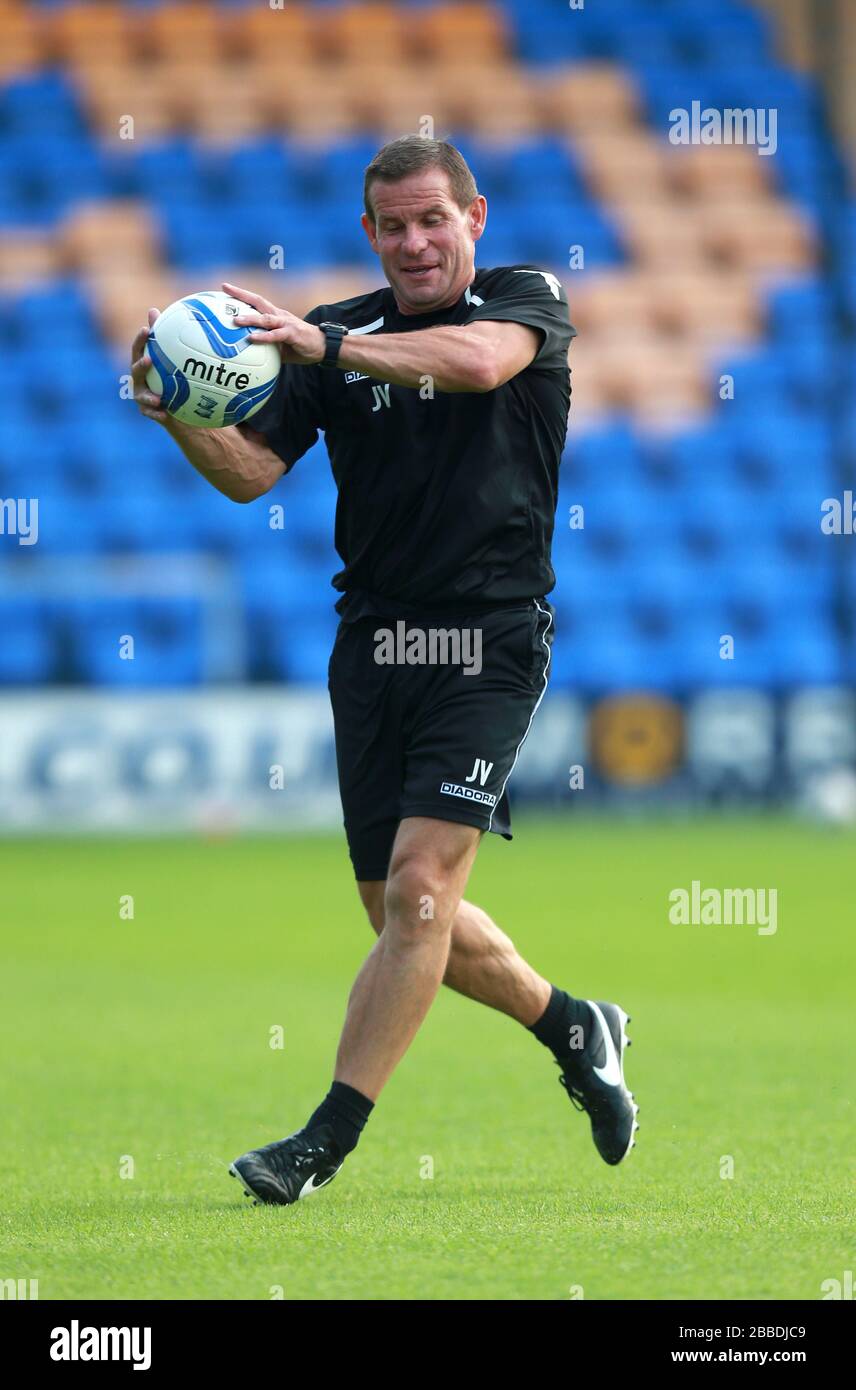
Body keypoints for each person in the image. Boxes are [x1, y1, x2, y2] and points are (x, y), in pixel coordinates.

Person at [131, 135, 638, 1207]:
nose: (413, 242)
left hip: (487, 639)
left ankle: (320, 1141)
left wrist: (324, 343)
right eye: (393, 226)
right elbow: (250, 474)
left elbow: (477, 364)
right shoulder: (336, 336)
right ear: (369, 233)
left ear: (473, 219)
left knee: (419, 891)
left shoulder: (522, 299)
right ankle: (573, 1022)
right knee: (401, 912)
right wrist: (179, 407)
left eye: (431, 220)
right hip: (372, 644)